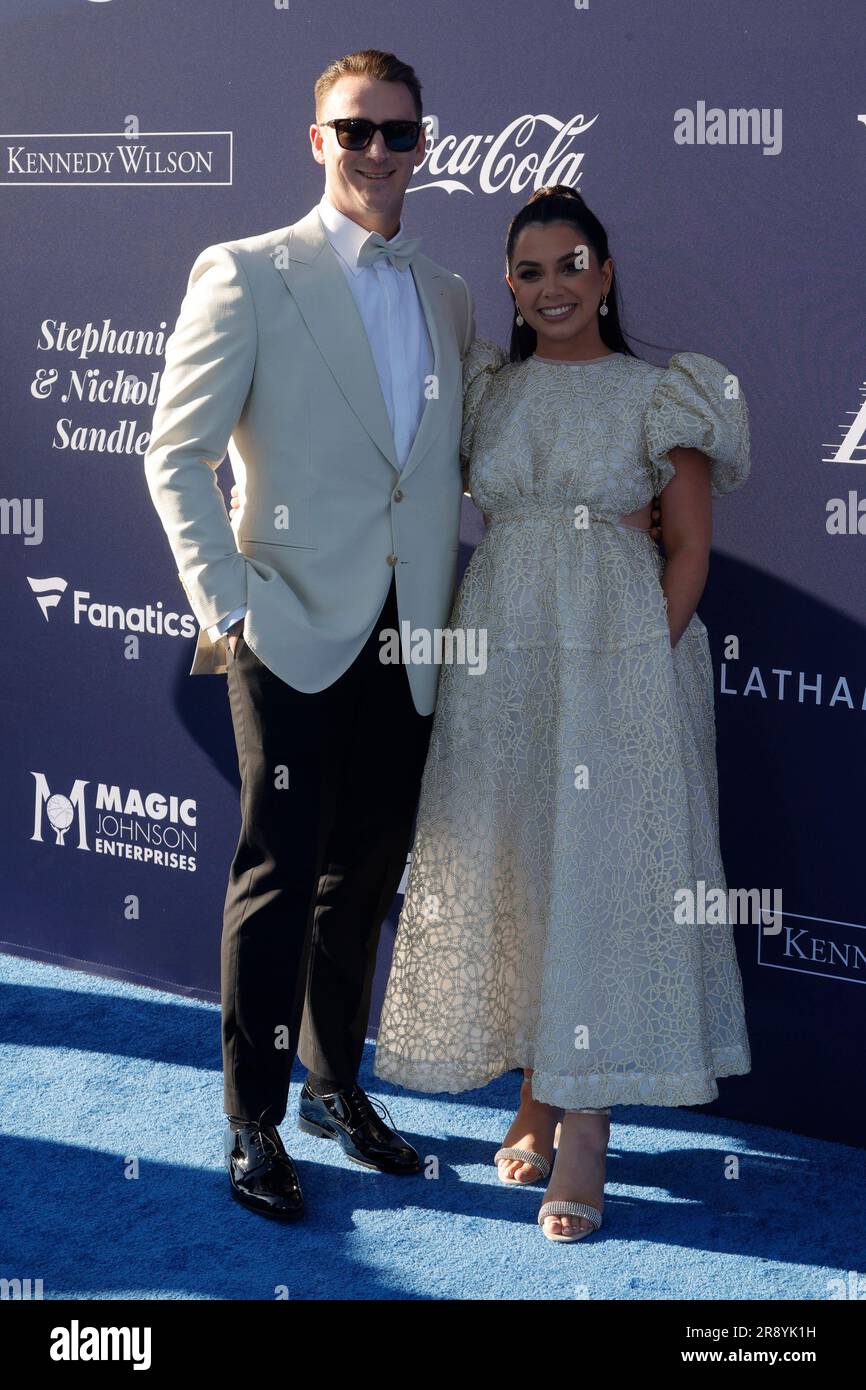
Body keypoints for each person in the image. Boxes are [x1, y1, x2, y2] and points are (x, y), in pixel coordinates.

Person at [373, 184, 753, 1242]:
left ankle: (583, 1129)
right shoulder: (488, 391)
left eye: (571, 264)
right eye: (530, 270)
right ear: (509, 283)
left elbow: (686, 549)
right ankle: (537, 1091)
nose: (552, 287)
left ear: (605, 273)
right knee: (523, 871)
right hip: (501, 663)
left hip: (619, 662)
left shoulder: (660, 392)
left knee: (598, 876)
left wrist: (640, 659)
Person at [144, 49, 477, 1221]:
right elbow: (173, 454)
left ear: (423, 145)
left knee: (367, 870)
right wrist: (229, 606)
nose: (377, 152)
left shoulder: (445, 294)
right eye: (354, 131)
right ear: (315, 138)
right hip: (284, 624)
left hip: (412, 634)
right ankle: (253, 1118)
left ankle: (339, 1082)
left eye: (398, 133)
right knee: (279, 872)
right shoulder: (245, 272)